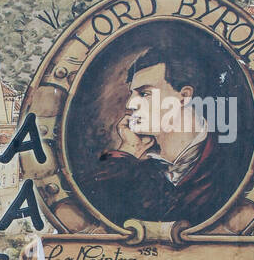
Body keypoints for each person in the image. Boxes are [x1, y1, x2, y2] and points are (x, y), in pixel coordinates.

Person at [88, 47, 231, 225]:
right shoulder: (136, 164)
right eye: (132, 94)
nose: (131, 104)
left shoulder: (226, 163)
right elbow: (95, 209)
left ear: (184, 96)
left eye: (144, 93)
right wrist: (129, 149)